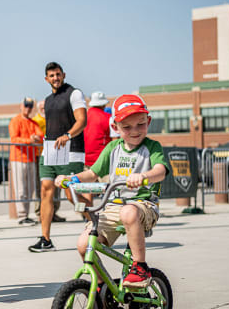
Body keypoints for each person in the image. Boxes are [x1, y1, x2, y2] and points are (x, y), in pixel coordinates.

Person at [57, 94, 169, 289]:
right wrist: (71, 179)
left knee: (129, 211)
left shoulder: (152, 147)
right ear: (115, 127)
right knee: (84, 245)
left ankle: (139, 266)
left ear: (148, 121)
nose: (134, 131)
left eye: (140, 124)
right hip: (114, 206)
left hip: (143, 206)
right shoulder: (112, 148)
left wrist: (144, 176)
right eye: (126, 127)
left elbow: (160, 171)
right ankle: (103, 287)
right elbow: (92, 173)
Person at [29, 61, 87, 252]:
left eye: (58, 74)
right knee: (46, 191)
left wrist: (68, 135)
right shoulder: (48, 100)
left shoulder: (74, 93)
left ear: (63, 75)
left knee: (73, 194)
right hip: (50, 151)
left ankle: (101, 224)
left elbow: (82, 121)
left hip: (71, 150)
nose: (55, 78)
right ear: (46, 79)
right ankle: (45, 239)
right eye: (51, 75)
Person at [7, 98, 44, 226]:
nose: (28, 108)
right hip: (18, 159)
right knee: (21, 189)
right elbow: (14, 138)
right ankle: (22, 216)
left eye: (30, 106)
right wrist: (30, 139)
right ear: (21, 106)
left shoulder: (33, 123)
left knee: (29, 189)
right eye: (26, 106)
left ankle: (26, 215)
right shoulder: (15, 121)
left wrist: (35, 138)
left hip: (31, 159)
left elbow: (40, 137)